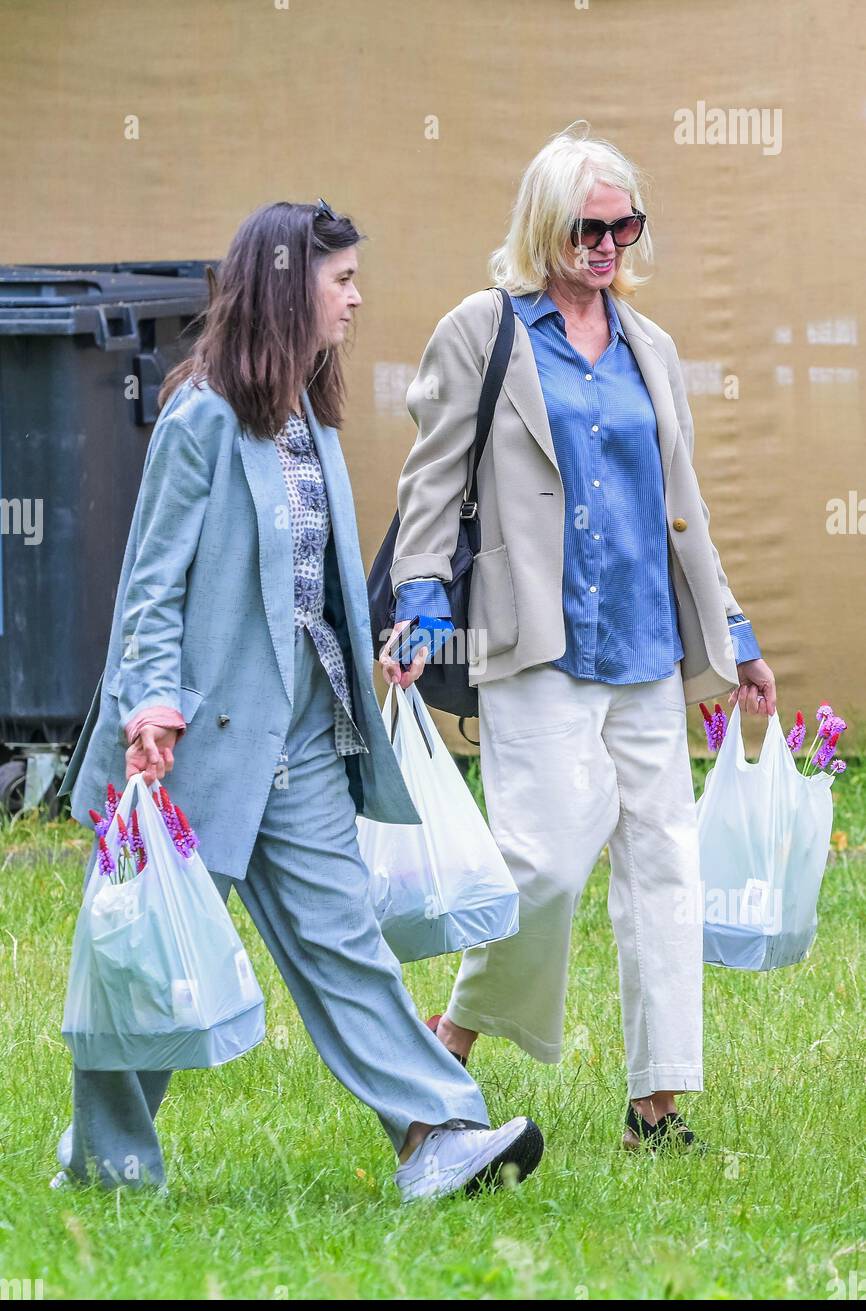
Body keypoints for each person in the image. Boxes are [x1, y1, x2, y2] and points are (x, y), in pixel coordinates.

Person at [52, 199, 543, 1201]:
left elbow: (309, 586)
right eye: (341, 280)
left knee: (344, 942)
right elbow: (151, 585)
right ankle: (104, 1163)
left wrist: (377, 651)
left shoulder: (306, 418)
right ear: (285, 287)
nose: (356, 299)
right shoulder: (201, 420)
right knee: (152, 953)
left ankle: (437, 1134)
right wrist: (151, 702)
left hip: (305, 738)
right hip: (197, 747)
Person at [379, 123, 776, 1153]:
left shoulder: (652, 348)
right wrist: (420, 599)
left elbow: (680, 507)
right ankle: (453, 1036)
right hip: (534, 641)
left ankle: (657, 1105)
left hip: (646, 643)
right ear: (542, 227)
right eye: (586, 229)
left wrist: (732, 633)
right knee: (543, 866)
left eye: (622, 227)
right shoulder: (482, 331)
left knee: (665, 868)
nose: (606, 246)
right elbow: (430, 482)